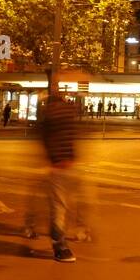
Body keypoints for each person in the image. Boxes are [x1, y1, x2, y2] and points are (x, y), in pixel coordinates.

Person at [39, 95, 81, 262]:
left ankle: (59, 244)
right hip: (69, 165)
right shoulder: (69, 115)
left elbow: (46, 140)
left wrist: (53, 159)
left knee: (58, 206)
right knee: (64, 204)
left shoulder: (49, 118)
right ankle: (62, 240)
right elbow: (72, 139)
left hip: (57, 165)